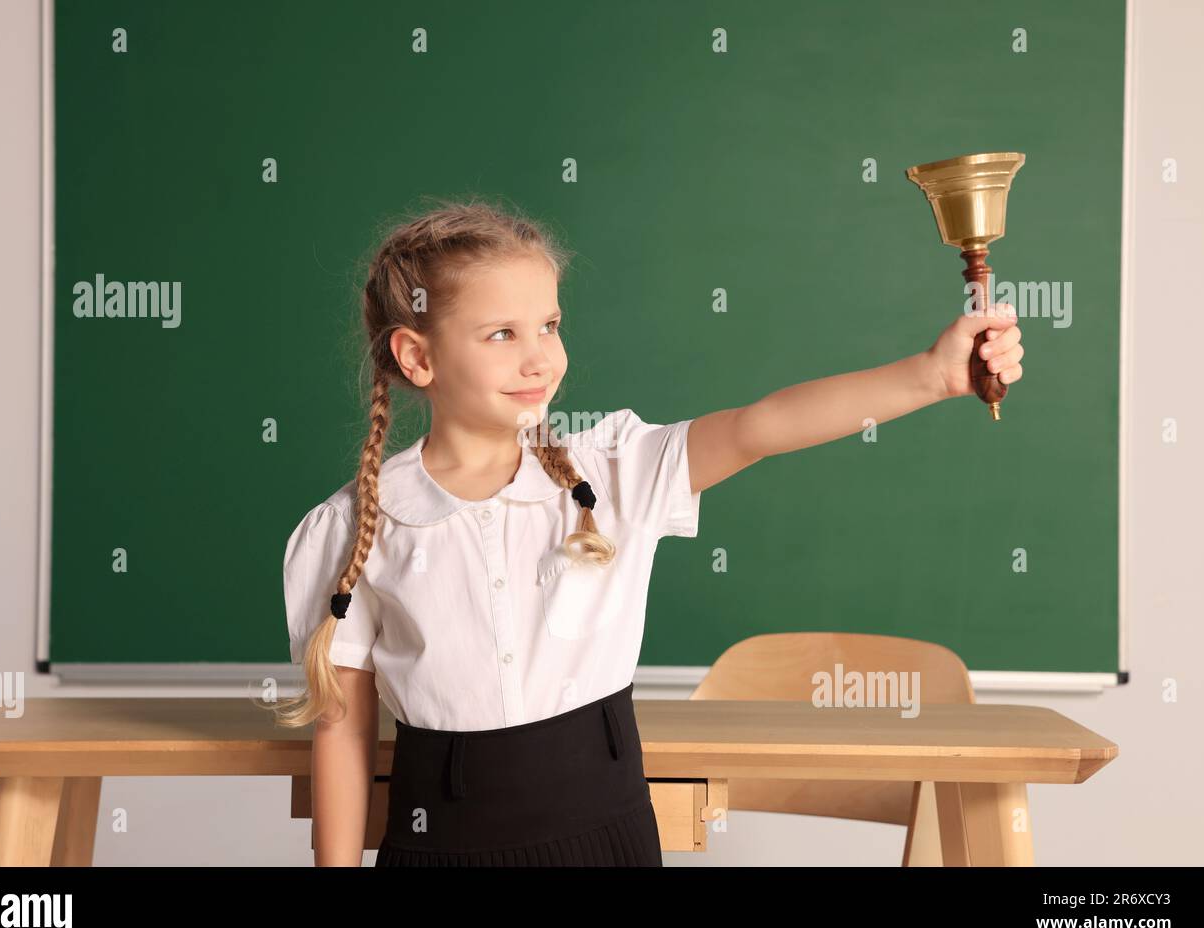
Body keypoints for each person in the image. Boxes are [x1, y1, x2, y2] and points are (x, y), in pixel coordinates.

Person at [266, 197, 1024, 866]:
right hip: (441, 847)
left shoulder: (617, 470)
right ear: (417, 355)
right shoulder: (353, 528)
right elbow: (341, 731)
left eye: (549, 324)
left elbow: (760, 427)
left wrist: (933, 375)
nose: (539, 356)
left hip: (606, 835)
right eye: (501, 333)